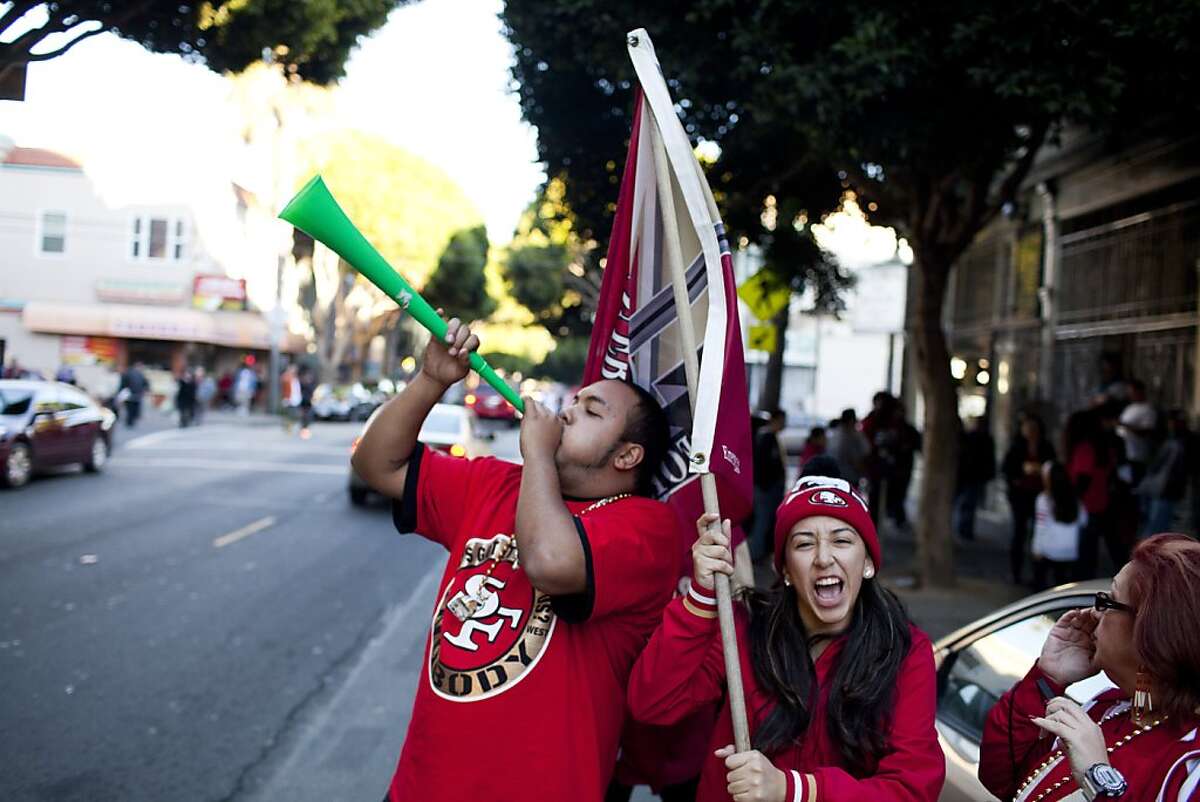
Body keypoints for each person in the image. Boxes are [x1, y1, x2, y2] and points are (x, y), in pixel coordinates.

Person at [351, 317, 678, 802]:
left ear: (627, 456)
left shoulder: (648, 525)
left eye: (591, 411)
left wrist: (539, 457)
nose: (566, 413)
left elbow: (550, 562)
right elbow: (375, 464)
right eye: (572, 402)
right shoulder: (496, 483)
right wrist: (431, 381)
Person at [627, 475, 945, 802]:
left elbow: (913, 789)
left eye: (842, 541)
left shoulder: (906, 651)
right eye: (805, 543)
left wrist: (793, 789)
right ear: (787, 572)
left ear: (867, 563)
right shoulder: (744, 628)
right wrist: (701, 596)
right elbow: (653, 703)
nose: (823, 558)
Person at [979, 533, 1200, 802]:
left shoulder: (1190, 764)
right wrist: (1048, 677)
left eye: (1109, 602)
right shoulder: (1111, 707)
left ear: (1151, 634)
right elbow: (1001, 779)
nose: (1094, 613)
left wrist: (1098, 777)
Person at [1003, 411, 1057, 585]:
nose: (1030, 431)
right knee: (1019, 534)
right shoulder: (1016, 447)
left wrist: (1040, 469)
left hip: (1040, 497)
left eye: (1033, 428)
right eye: (1027, 428)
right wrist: (1019, 474)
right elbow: (1007, 469)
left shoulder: (1046, 447)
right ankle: (1015, 572)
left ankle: (1038, 574)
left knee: (1039, 534)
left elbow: (1053, 467)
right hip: (1020, 496)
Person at [1065, 409, 1120, 579]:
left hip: (1086, 505)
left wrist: (1072, 500)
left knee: (1084, 552)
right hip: (1102, 502)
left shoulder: (1085, 448)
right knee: (1093, 550)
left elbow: (1083, 478)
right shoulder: (1104, 447)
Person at [1031, 461, 1088, 590]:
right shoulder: (1075, 499)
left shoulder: (1043, 499)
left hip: (1048, 549)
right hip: (1069, 551)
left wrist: (1036, 549)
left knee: (1040, 586)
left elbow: (1040, 527)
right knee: (1063, 583)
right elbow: (1084, 521)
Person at [1136, 410, 1189, 537]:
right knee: (1156, 527)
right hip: (1162, 489)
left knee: (1157, 527)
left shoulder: (1176, 441)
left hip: (1163, 489)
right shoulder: (1171, 441)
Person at [750, 408, 787, 563]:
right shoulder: (767, 436)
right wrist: (766, 486)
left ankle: (758, 552)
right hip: (766, 488)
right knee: (762, 522)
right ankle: (755, 554)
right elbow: (764, 464)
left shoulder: (767, 436)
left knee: (764, 521)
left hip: (767, 487)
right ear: (776, 419)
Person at [955, 416, 996, 540]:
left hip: (973, 476)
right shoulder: (973, 438)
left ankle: (964, 530)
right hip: (970, 476)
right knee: (967, 504)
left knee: (968, 504)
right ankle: (964, 530)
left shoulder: (981, 439)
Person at [1118, 380, 1158, 486]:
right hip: (1126, 452)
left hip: (1139, 456)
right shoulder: (1130, 408)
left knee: (1139, 485)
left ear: (1141, 392)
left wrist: (1125, 426)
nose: (1130, 395)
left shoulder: (1148, 409)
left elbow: (1146, 432)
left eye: (1132, 392)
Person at [826, 408, 869, 489]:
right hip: (849, 475)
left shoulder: (834, 434)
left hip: (835, 475)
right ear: (851, 421)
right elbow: (864, 452)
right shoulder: (852, 435)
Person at [118, 362, 148, 428]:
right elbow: (146, 384)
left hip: (132, 395)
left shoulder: (130, 373)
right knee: (132, 409)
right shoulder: (140, 374)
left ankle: (130, 421)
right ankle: (130, 421)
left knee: (131, 409)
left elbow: (123, 384)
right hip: (134, 395)